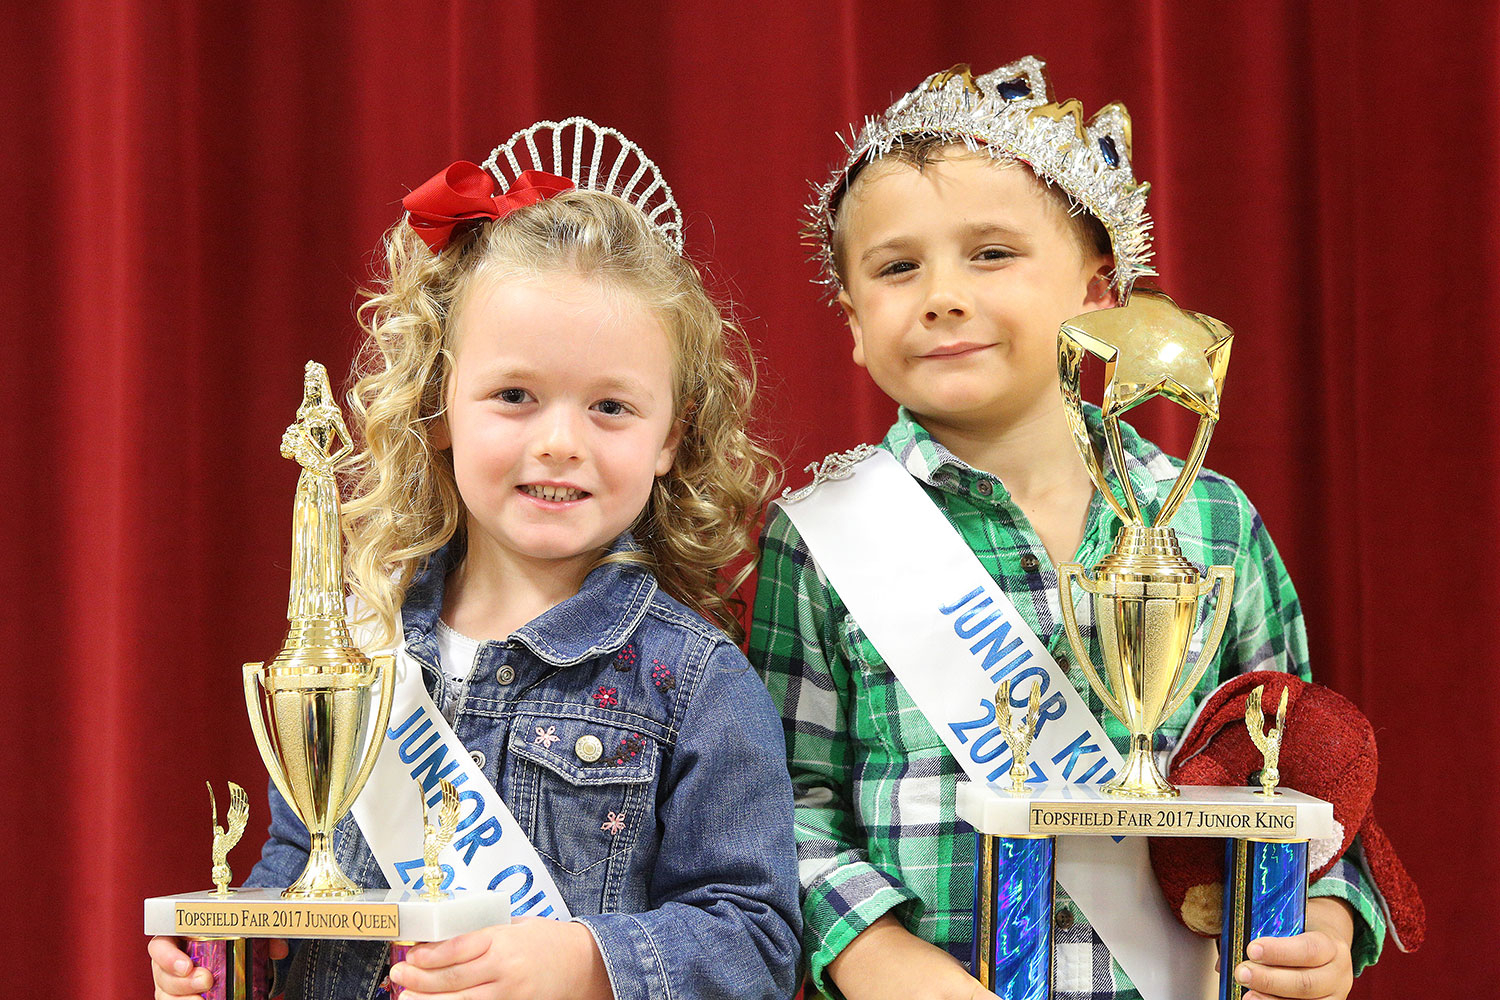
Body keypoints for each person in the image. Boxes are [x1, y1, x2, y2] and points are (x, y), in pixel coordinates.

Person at [750, 59, 1389, 1000]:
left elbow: (1311, 770)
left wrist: (1324, 925)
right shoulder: (822, 536)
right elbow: (782, 804)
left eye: (991, 254)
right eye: (896, 268)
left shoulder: (1214, 520)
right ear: (852, 321)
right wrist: (876, 958)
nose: (941, 295)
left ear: (1100, 291)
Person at [150, 117, 799, 1000]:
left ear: (670, 438)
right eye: (515, 395)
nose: (560, 441)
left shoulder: (696, 683)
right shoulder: (360, 650)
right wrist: (229, 958)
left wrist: (583, 963)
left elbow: (757, 939)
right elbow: (300, 874)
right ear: (438, 408)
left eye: (611, 407)